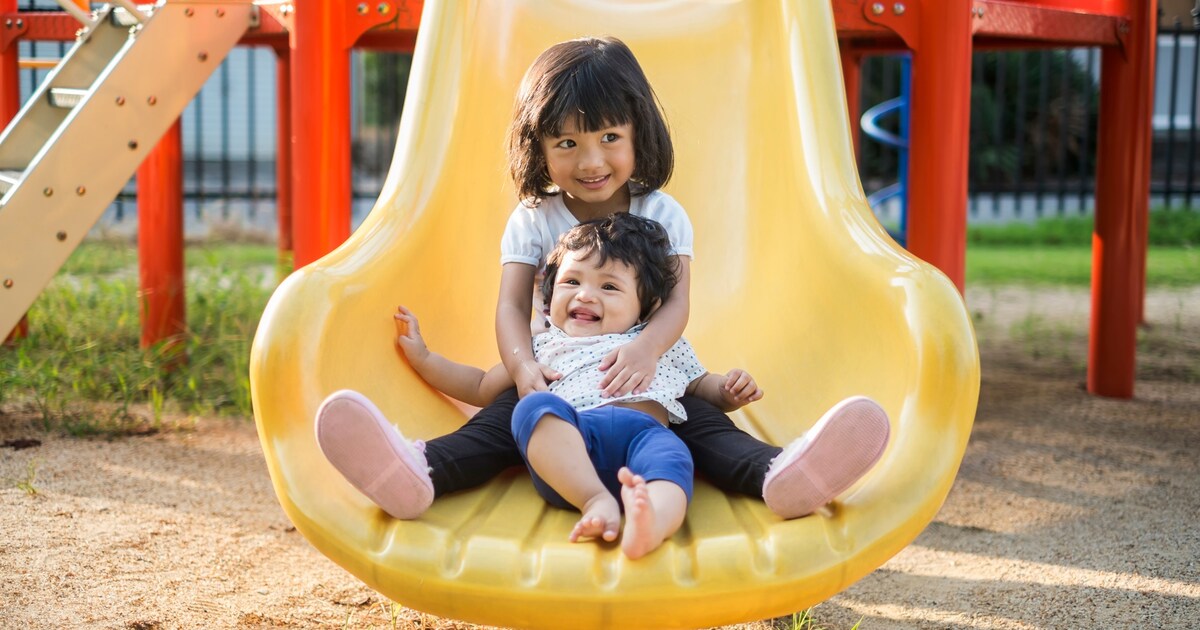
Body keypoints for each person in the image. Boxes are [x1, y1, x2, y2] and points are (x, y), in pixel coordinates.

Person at [314, 35, 890, 527]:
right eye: (567, 143)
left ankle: (777, 474)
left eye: (609, 138)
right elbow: (512, 307)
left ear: (639, 132)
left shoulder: (662, 214)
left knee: (706, 426)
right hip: (556, 374)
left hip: (646, 378)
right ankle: (419, 473)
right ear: (538, 147)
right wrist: (523, 368)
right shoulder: (535, 219)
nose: (591, 161)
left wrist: (646, 349)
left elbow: (677, 302)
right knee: (504, 419)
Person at [390, 214, 762, 558]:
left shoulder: (654, 344)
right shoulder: (544, 345)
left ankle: (652, 524)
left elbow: (700, 386)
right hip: (570, 448)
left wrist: (728, 391)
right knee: (531, 409)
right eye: (571, 281)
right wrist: (425, 359)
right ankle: (594, 499)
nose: (585, 295)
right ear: (549, 298)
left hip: (645, 437)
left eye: (610, 286)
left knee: (673, 458)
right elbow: (482, 386)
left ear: (645, 308)